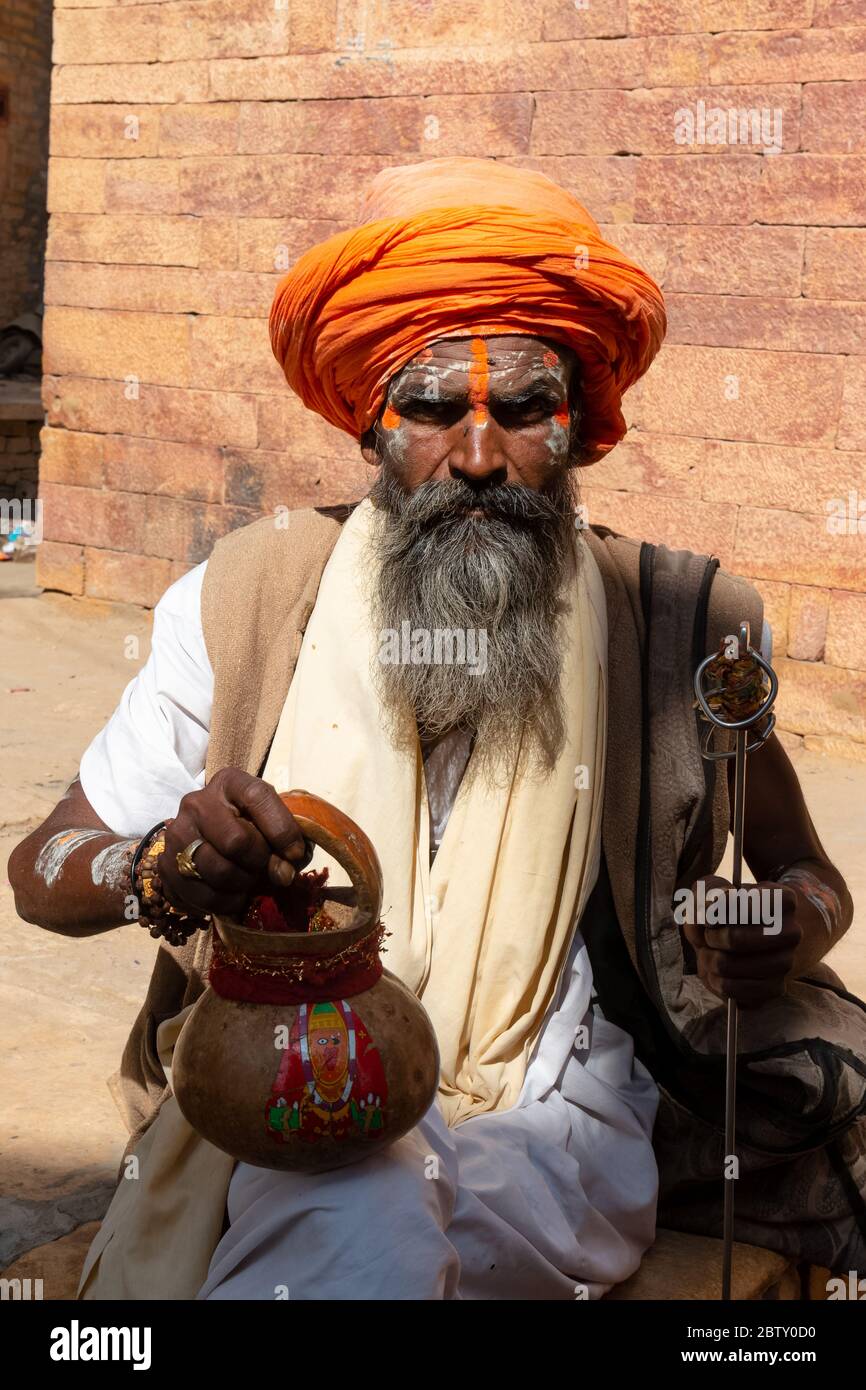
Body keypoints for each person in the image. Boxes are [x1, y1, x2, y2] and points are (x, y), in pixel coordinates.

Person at [10, 158, 864, 1300]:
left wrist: (772, 924)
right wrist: (156, 863)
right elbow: (45, 870)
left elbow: (803, 873)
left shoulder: (686, 622)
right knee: (350, 1204)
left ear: (581, 428)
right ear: (367, 423)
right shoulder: (246, 595)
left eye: (520, 410)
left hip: (554, 1122)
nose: (473, 456)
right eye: (428, 408)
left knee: (361, 1220)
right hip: (281, 1092)